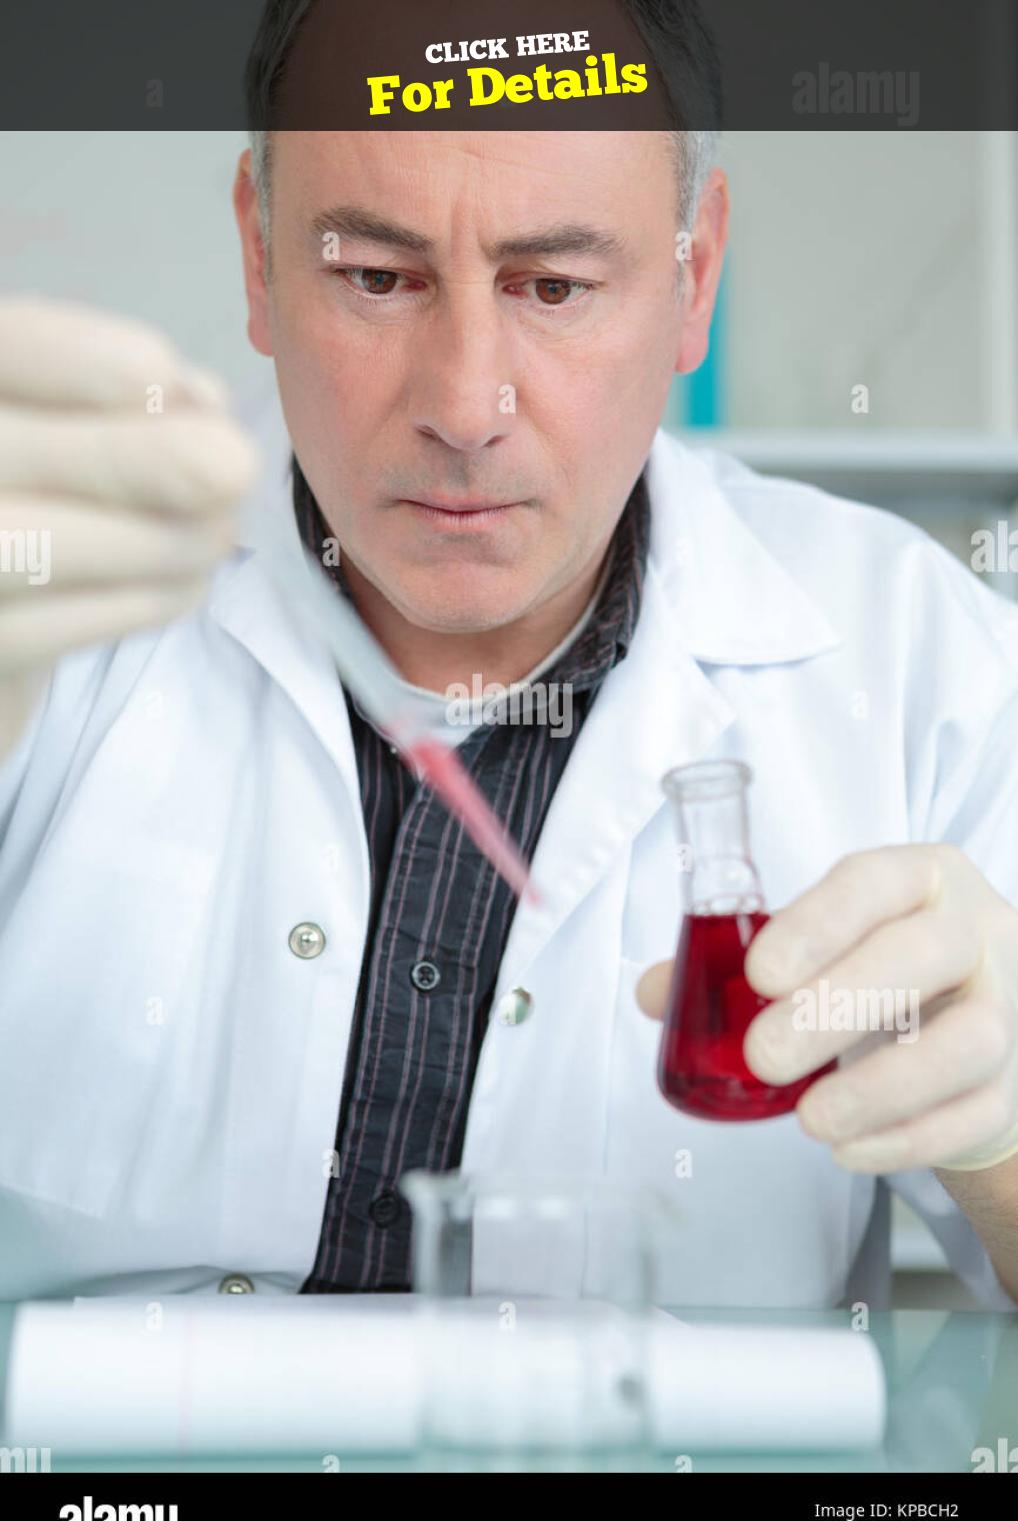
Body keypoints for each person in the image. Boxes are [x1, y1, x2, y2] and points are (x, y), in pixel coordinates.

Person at [1, 18, 1017, 1309]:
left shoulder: (924, 668)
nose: (464, 404)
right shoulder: (54, 610)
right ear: (259, 254)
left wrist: (1005, 1134)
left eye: (553, 287)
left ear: (692, 276)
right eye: (374, 274)